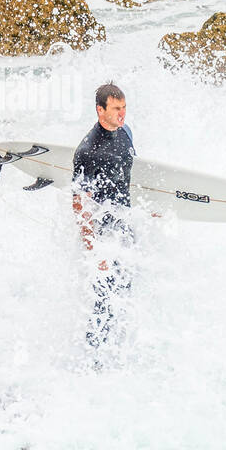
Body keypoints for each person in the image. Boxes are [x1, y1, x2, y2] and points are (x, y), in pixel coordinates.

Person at [73, 83, 136, 352]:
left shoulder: (126, 132)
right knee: (103, 294)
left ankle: (117, 347)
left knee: (125, 287)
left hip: (125, 225)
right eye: (116, 109)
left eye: (124, 107)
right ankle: (94, 353)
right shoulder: (88, 151)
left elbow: (129, 173)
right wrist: (93, 248)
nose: (122, 114)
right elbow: (79, 204)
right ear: (100, 110)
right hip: (104, 231)